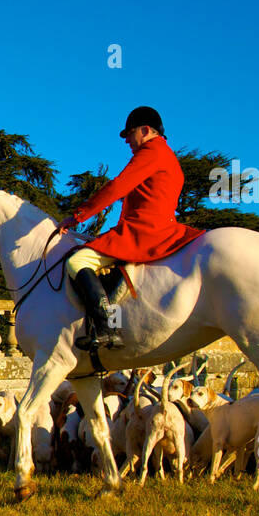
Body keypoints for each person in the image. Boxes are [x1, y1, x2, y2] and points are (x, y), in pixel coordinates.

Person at [56, 106, 203, 351]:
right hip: (162, 228)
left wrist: (77, 216)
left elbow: (117, 187)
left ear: (145, 130)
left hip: (143, 232)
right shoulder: (167, 156)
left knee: (76, 261)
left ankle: (106, 328)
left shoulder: (151, 151)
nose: (127, 141)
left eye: (130, 134)